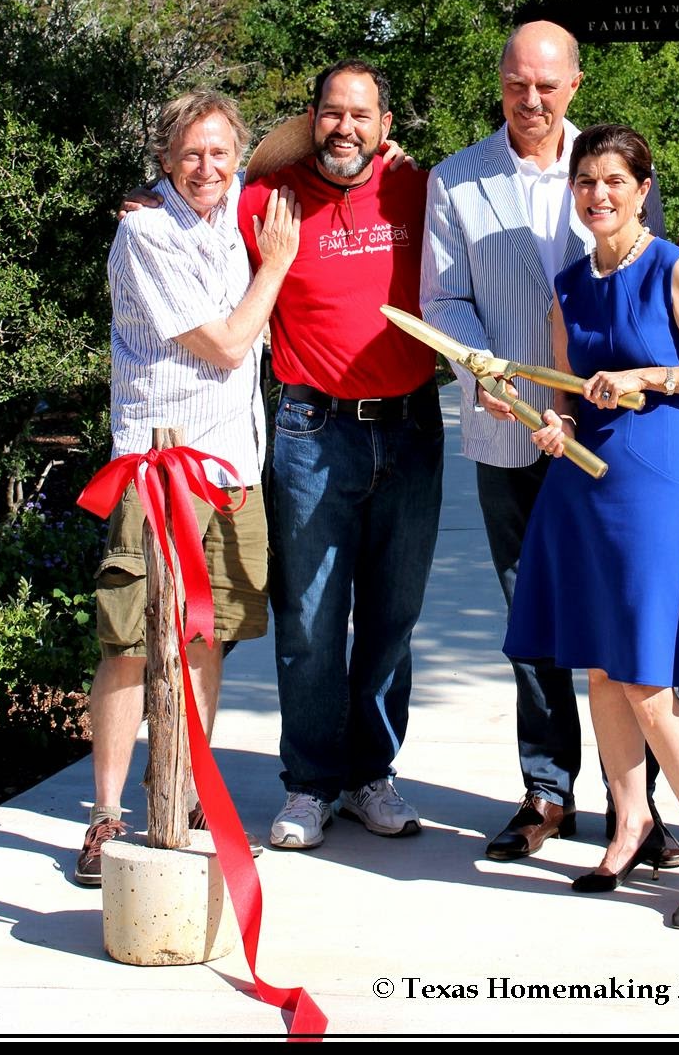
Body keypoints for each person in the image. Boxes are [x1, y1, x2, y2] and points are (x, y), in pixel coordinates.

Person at [421, 21, 679, 867]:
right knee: (530, 621)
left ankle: (635, 809)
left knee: (621, 625)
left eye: (545, 85)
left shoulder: (608, 173)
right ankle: (545, 791)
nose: (528, 100)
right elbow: (443, 302)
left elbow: (653, 292)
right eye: (514, 84)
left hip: (610, 441)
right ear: (498, 82)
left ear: (574, 82)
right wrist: (483, 382)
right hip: (510, 432)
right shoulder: (455, 181)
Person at [503, 124, 679, 927]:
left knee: (644, 678)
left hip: (653, 482)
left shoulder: (671, 267)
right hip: (584, 488)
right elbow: (565, 396)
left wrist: (651, 374)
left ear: (642, 189)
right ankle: (630, 819)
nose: (598, 194)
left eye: (614, 181)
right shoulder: (568, 284)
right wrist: (553, 426)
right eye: (585, 182)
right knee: (601, 669)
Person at [75, 91, 301, 887]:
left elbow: (307, 155)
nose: (207, 168)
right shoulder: (145, 232)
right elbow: (229, 345)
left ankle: (185, 788)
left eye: (220, 153)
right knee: (132, 642)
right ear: (165, 159)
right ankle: (105, 818)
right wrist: (276, 265)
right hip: (161, 467)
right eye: (190, 154)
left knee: (211, 637)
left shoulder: (240, 208)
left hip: (233, 464)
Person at [238, 59, 443, 851]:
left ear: (385, 127)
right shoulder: (268, 200)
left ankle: (370, 777)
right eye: (332, 112)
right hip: (311, 431)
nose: (345, 128)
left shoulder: (418, 191)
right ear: (312, 118)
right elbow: (194, 211)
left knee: (392, 615)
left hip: (412, 428)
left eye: (361, 115)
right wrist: (147, 207)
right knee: (313, 620)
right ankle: (309, 784)